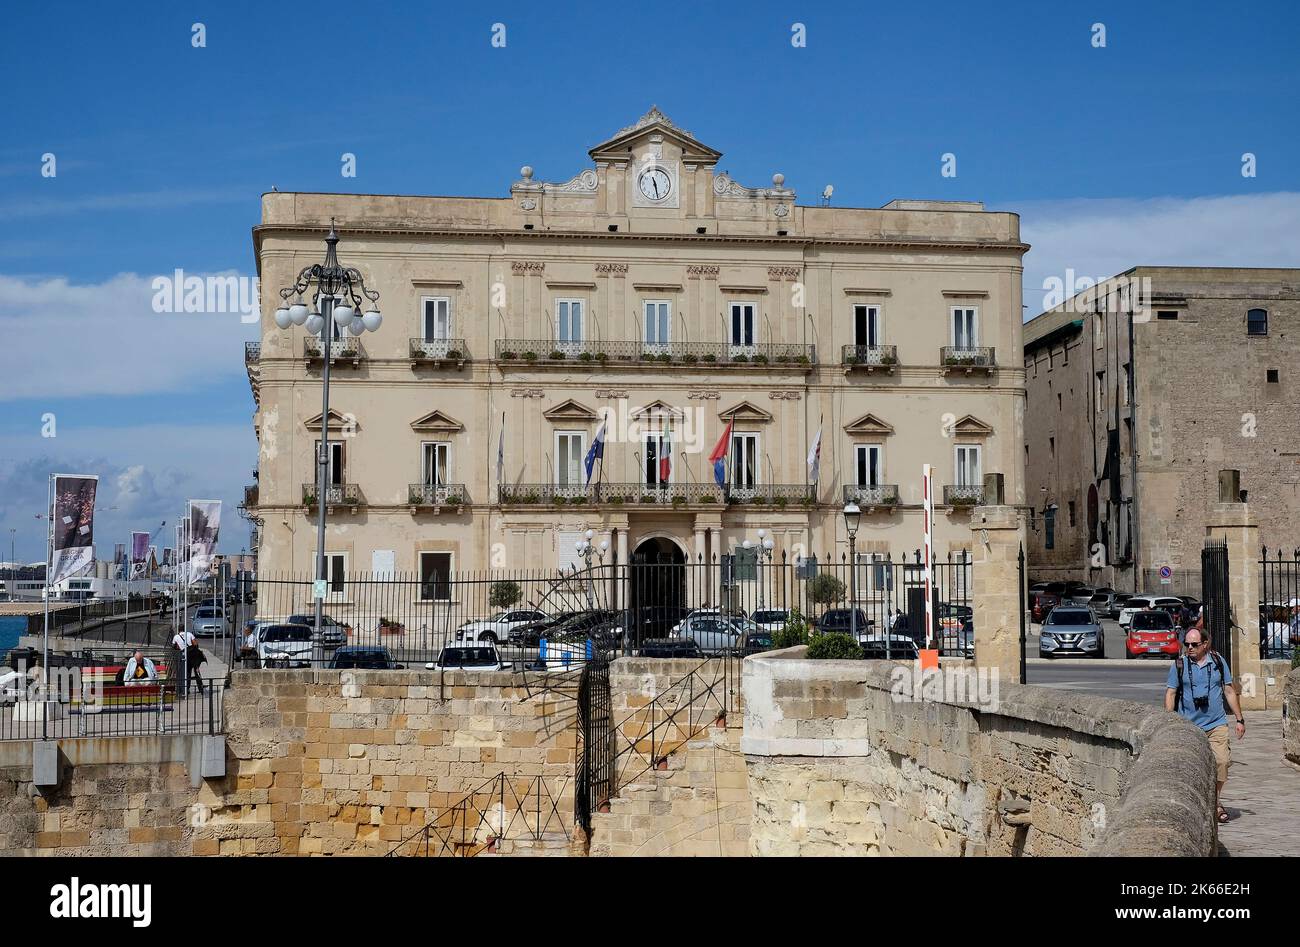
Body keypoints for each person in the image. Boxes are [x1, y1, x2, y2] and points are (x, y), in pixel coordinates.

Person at [1165, 628, 1245, 825]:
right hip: (1189, 726)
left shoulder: (1217, 662)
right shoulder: (1179, 664)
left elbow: (1228, 690)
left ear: (1205, 644)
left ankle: (1215, 802)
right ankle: (1199, 804)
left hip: (1216, 723)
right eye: (1187, 644)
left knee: (1222, 762)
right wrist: (1170, 721)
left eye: (1194, 644)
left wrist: (1239, 719)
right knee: (1188, 767)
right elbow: (1171, 693)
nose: (1190, 648)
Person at [171, 627, 205, 697]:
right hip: (193, 655)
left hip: (185, 656)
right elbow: (195, 644)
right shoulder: (189, 634)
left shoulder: (176, 636)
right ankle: (200, 687)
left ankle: (187, 689)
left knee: (188, 672)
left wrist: (180, 647)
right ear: (184, 629)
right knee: (196, 670)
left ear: (178, 630)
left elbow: (173, 646)